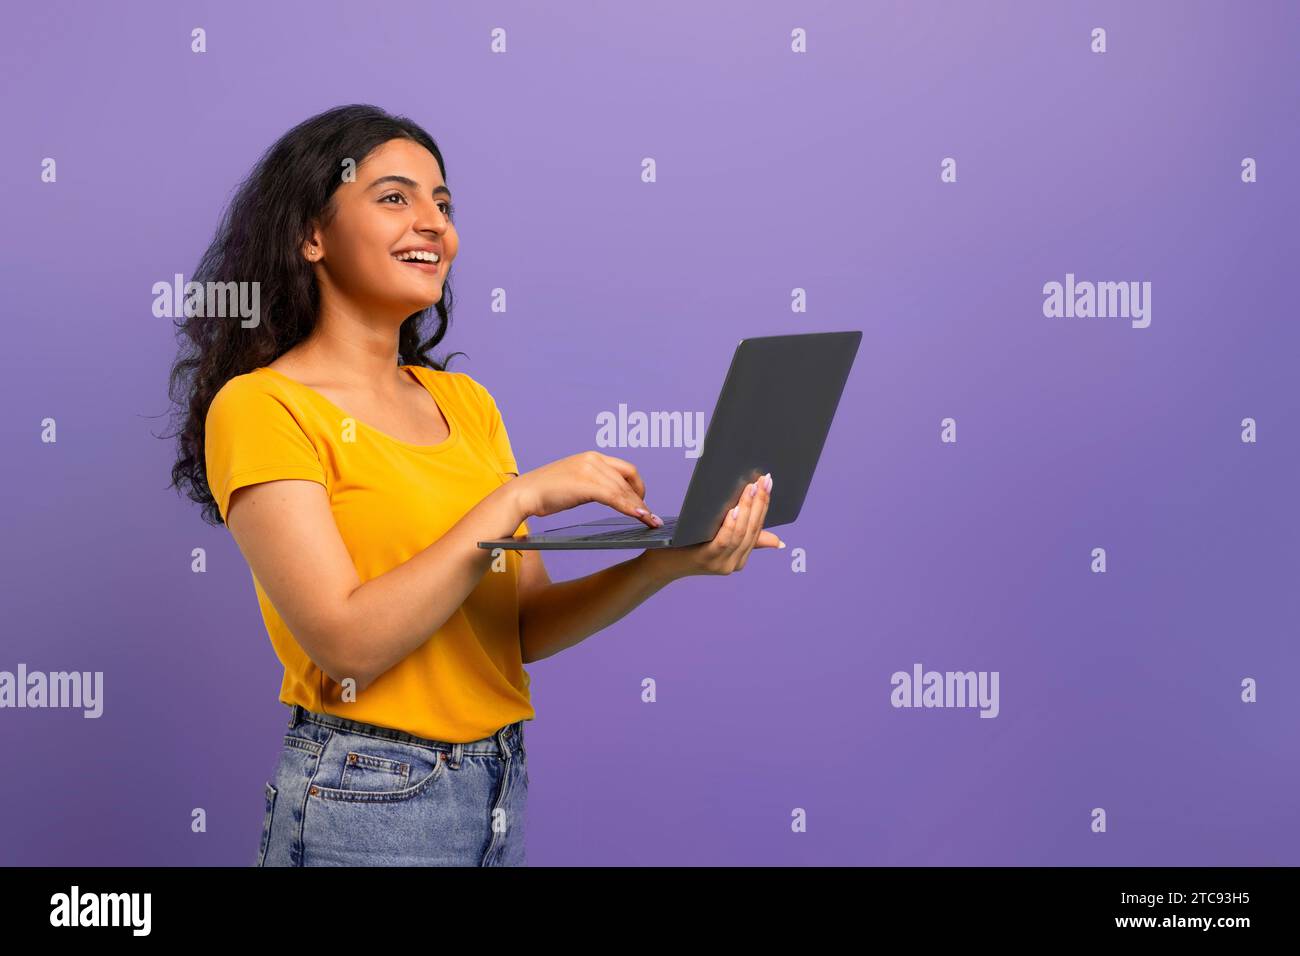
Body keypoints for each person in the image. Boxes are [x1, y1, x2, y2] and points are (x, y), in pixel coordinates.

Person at [166, 104, 780, 867]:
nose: (432, 223)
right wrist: (516, 499)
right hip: (366, 796)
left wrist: (666, 561)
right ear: (311, 235)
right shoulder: (261, 407)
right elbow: (348, 645)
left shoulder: (466, 404)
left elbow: (520, 629)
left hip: (493, 786)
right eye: (395, 198)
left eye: (443, 204)